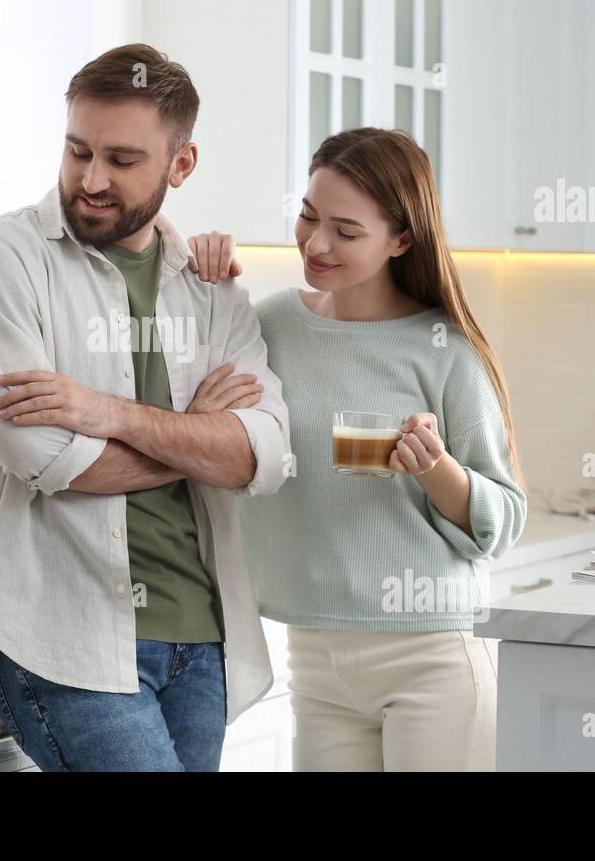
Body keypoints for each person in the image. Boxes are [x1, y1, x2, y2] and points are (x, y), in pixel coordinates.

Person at [0, 43, 291, 772]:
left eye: (122, 161)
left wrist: (110, 413)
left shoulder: (210, 286)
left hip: (201, 639)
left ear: (181, 165)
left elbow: (264, 456)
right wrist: (197, 439)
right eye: (77, 151)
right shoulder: (0, 261)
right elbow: (51, 459)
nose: (90, 180)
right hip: (60, 639)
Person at [187, 127, 526, 771]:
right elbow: (193, 419)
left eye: (345, 231)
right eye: (309, 217)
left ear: (401, 239)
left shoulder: (446, 352)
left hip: (431, 657)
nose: (316, 243)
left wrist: (436, 470)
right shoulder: (272, 325)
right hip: (314, 658)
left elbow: (503, 520)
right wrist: (203, 280)